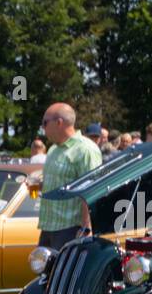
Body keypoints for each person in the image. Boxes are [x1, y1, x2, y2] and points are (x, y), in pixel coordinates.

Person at [35, 102, 102, 250]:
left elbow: (92, 190)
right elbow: (59, 182)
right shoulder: (53, 149)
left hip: (71, 229)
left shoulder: (85, 149)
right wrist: (40, 185)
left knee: (66, 273)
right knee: (46, 272)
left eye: (45, 123)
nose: (42, 128)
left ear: (59, 122)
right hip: (48, 226)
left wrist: (86, 228)